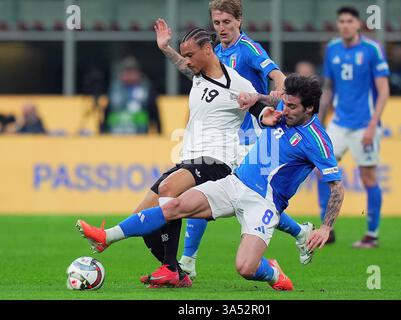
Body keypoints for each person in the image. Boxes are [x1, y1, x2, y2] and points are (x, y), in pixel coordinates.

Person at [76, 74, 344, 291]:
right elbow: (274, 98)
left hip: (263, 204)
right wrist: (258, 97)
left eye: (293, 107)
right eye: (286, 104)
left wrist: (326, 227)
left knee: (246, 268)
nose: (285, 111)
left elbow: (337, 187)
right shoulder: (284, 111)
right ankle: (106, 237)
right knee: (174, 205)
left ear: (309, 108)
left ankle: (274, 273)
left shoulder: (317, 141)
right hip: (234, 183)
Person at [92, 26, 284, 288]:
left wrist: (266, 115)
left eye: (191, 54)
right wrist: (165, 48)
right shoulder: (199, 74)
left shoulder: (237, 83)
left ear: (208, 50)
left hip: (217, 160)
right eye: (185, 55)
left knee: (168, 189)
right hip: (191, 159)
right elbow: (183, 66)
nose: (188, 60)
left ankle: (111, 239)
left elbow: (260, 109)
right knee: (144, 215)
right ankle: (177, 273)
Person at [151, 0, 304, 283]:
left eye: (226, 23)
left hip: (253, 137)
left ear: (239, 21)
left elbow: (278, 77)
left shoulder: (249, 49)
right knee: (209, 192)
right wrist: (166, 49)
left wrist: (274, 101)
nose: (221, 28)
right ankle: (188, 260)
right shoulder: (215, 52)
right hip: (227, 138)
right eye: (217, 23)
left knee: (253, 200)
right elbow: (190, 69)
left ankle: (300, 233)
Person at [317, 6, 390, 248]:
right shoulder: (333, 49)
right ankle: (327, 228)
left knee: (368, 176)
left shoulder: (371, 50)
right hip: (339, 123)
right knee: (322, 169)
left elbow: (383, 90)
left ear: (359, 24)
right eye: (342, 21)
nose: (345, 25)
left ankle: (372, 233)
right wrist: (318, 120)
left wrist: (372, 126)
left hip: (363, 125)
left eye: (350, 21)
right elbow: (329, 88)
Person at [103, 56, 162, 135]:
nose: (129, 75)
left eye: (132, 71)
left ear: (138, 73)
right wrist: (103, 131)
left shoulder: (146, 88)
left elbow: (154, 111)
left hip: (140, 135)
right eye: (126, 71)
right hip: (115, 134)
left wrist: (159, 132)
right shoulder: (114, 88)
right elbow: (107, 111)